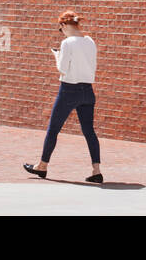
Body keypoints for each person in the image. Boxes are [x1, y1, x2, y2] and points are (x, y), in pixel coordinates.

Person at [24, 10, 102, 183]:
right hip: (88, 91)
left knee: (53, 129)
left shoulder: (67, 43)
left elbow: (63, 69)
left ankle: (42, 166)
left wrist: (56, 55)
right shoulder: (90, 41)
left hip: (69, 90)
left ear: (64, 25)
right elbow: (91, 65)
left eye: (61, 29)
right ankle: (96, 170)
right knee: (89, 131)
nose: (62, 32)